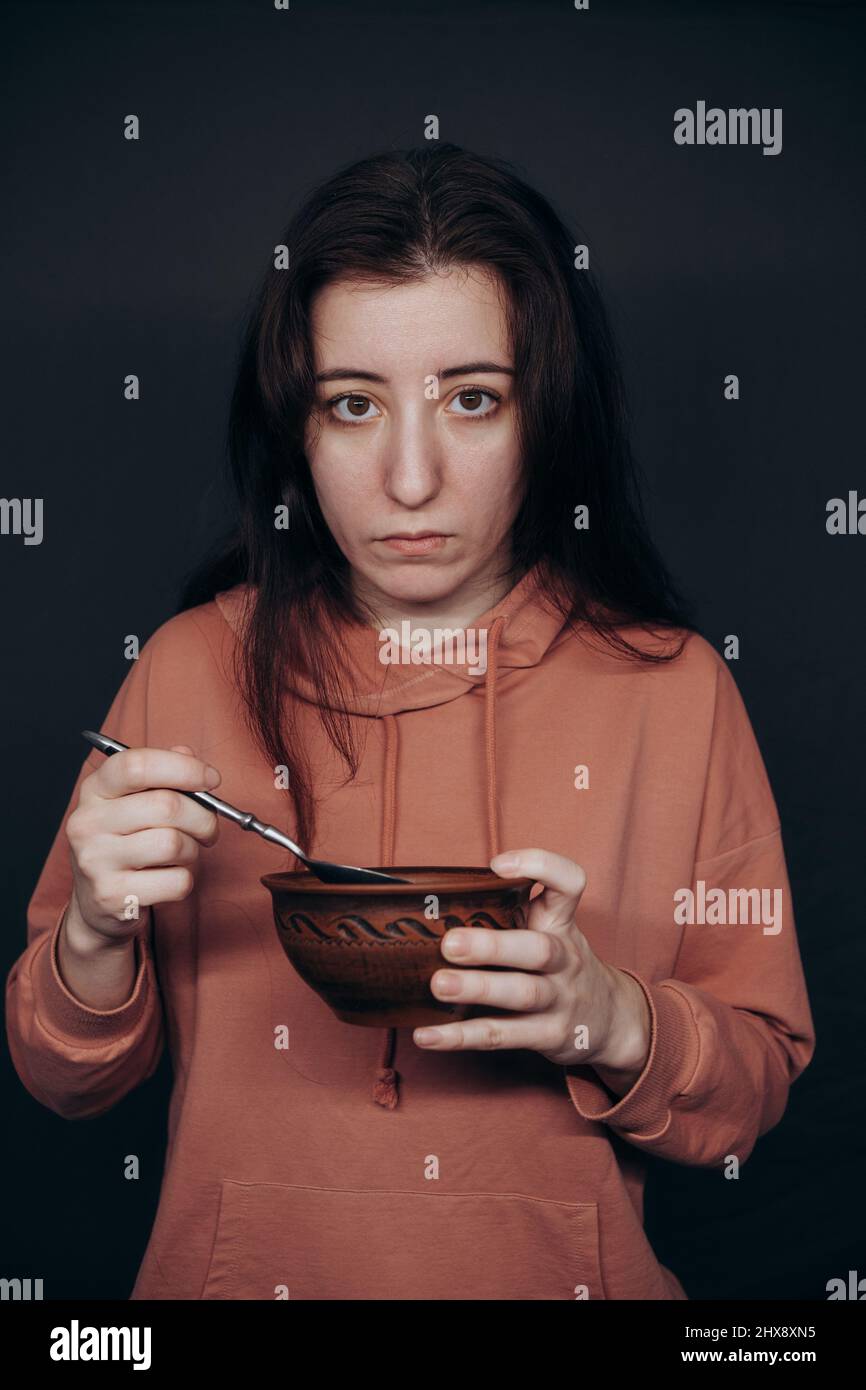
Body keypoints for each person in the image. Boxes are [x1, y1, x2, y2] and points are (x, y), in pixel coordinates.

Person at [5, 143, 815, 1301]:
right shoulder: (185, 668)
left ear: (549, 414)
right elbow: (61, 1081)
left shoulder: (674, 688)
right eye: (352, 405)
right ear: (296, 429)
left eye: (471, 398)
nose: (412, 477)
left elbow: (748, 1108)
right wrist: (92, 930)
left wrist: (608, 1017)